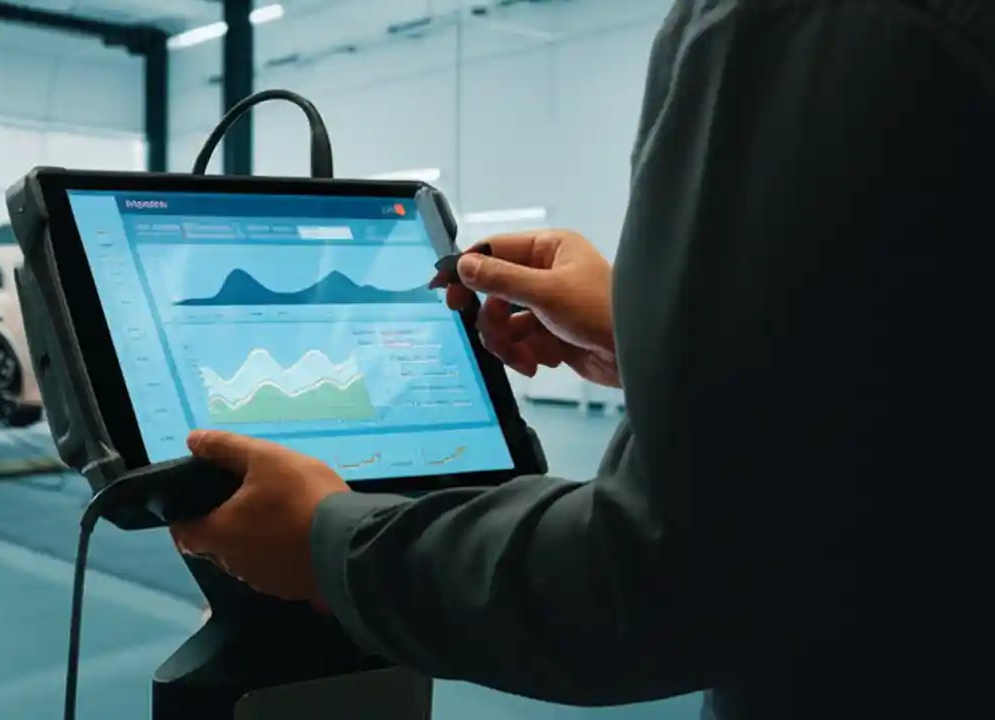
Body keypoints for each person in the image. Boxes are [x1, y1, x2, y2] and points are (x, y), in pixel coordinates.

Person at [172, 1, 993, 717]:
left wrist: (329, 544)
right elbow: (919, 384)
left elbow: (673, 575)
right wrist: (658, 341)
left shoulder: (800, 21)